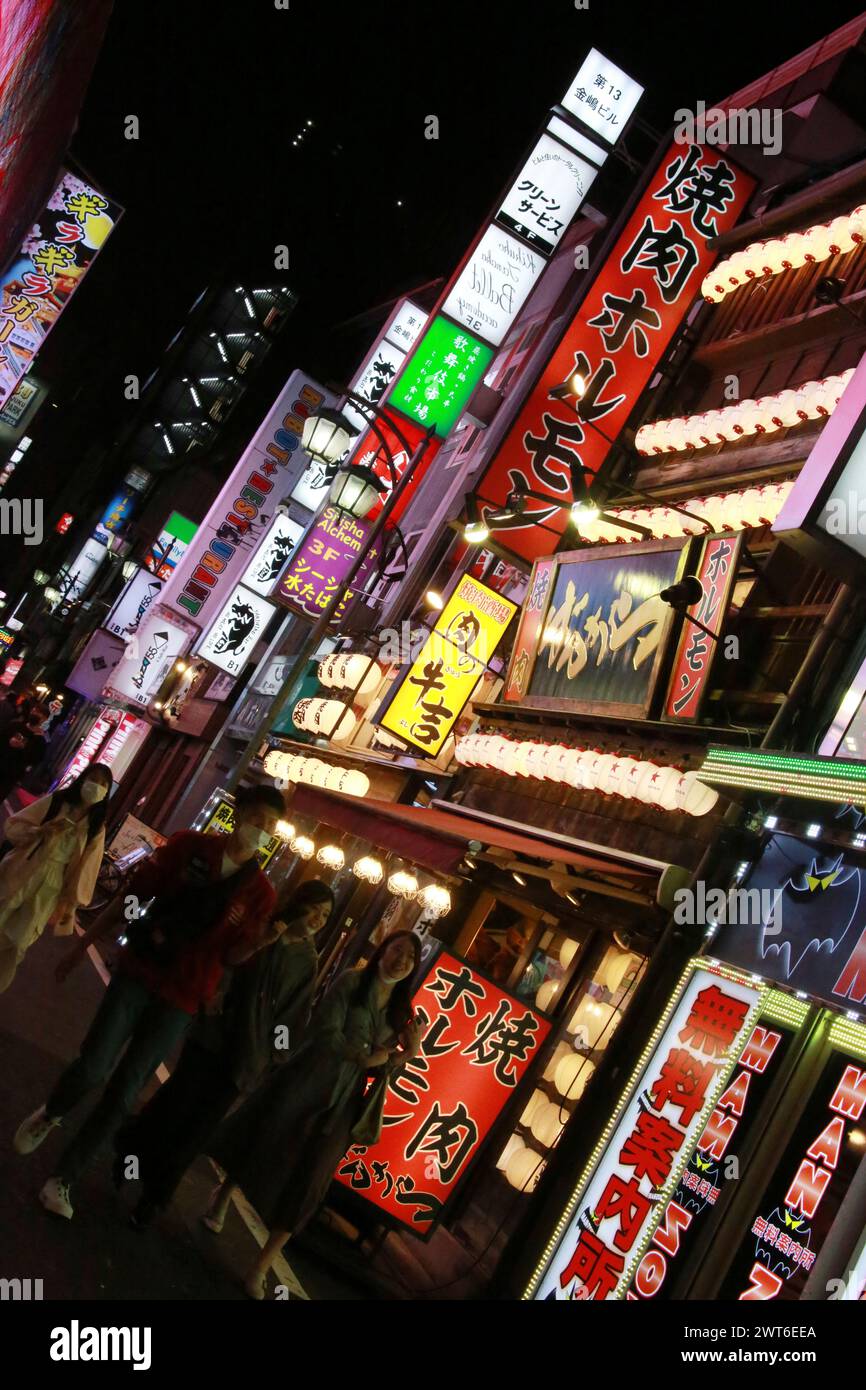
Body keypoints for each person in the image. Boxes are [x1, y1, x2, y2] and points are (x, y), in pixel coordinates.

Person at [12, 783, 285, 1222]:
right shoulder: (189, 847)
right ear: (240, 816)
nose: (264, 831)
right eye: (258, 821)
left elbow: (231, 957)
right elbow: (136, 895)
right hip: (140, 972)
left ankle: (65, 1179)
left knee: (125, 1092)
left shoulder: (260, 893)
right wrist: (90, 943)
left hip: (182, 997)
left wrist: (260, 942)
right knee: (93, 1066)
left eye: (272, 827)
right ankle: (53, 1110)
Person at [204, 930, 423, 1299]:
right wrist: (364, 1056)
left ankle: (260, 1266)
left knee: (312, 1181)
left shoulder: (403, 1012)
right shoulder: (352, 982)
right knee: (265, 1138)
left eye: (409, 957)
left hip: (344, 1103)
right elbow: (325, 1030)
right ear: (383, 950)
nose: (401, 960)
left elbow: (386, 1068)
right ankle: (224, 1195)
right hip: (308, 1079)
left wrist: (407, 1054)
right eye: (396, 950)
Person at [117, 878, 335, 1229]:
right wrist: (217, 991)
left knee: (198, 1128)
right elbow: (227, 963)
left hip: (247, 1056)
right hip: (214, 1035)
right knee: (175, 1105)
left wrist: (272, 1055)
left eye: (326, 915)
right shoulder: (265, 930)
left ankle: (154, 1198)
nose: (318, 919)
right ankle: (133, 1147)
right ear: (300, 904)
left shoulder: (307, 961)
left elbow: (293, 1015)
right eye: (316, 909)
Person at [0, 765, 113, 994]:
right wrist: (40, 831)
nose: (96, 787)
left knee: (19, 942)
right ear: (82, 780)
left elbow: (87, 869)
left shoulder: (95, 828)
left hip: (52, 885)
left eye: (103, 784)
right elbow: (15, 826)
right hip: (24, 867)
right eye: (93, 779)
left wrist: (68, 905)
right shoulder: (57, 802)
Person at [0, 705, 51, 803]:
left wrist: (23, 748)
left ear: (44, 719)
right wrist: (9, 742)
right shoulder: (15, 725)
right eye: (33, 710)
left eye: (38, 712)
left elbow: (34, 761)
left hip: (10, 777)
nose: (33, 713)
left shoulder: (40, 742)